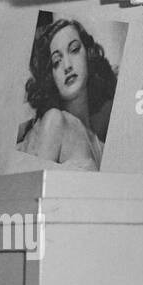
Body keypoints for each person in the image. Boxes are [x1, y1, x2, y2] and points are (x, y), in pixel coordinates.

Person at [16, 17, 117, 171]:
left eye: (74, 50)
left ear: (88, 55)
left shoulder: (101, 143)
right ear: (50, 76)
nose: (67, 66)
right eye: (56, 61)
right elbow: (31, 189)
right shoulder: (55, 121)